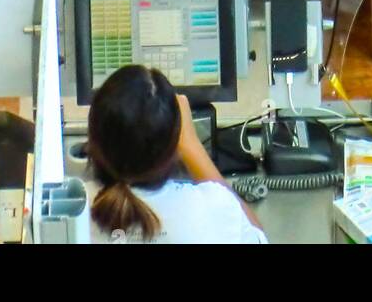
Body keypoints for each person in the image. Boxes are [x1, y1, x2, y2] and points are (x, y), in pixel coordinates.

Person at [85, 64, 266, 244]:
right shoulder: (215, 209)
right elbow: (258, 236)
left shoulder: (73, 209)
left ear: (93, 138)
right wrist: (191, 145)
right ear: (173, 143)